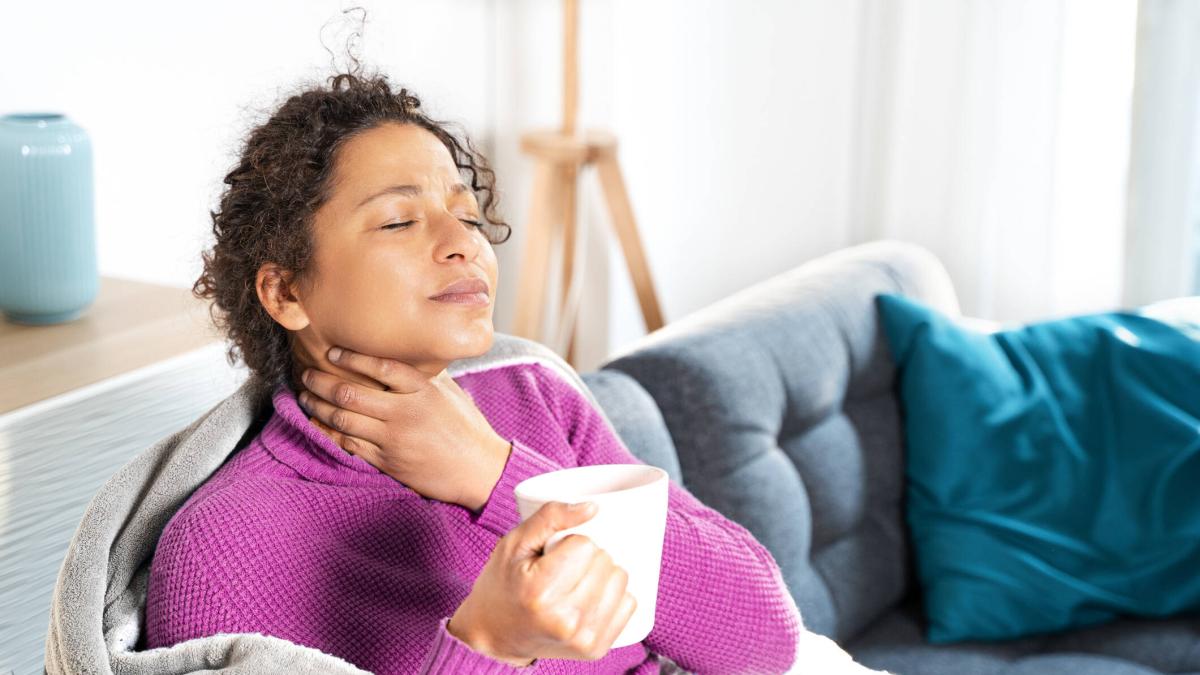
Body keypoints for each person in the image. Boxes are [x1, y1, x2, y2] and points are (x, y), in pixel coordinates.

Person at [142, 66, 803, 674]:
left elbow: (765, 640)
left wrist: (492, 470)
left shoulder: (533, 398)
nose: (463, 242)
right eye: (399, 220)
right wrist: (490, 642)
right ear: (286, 293)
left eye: (467, 214)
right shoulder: (223, 545)